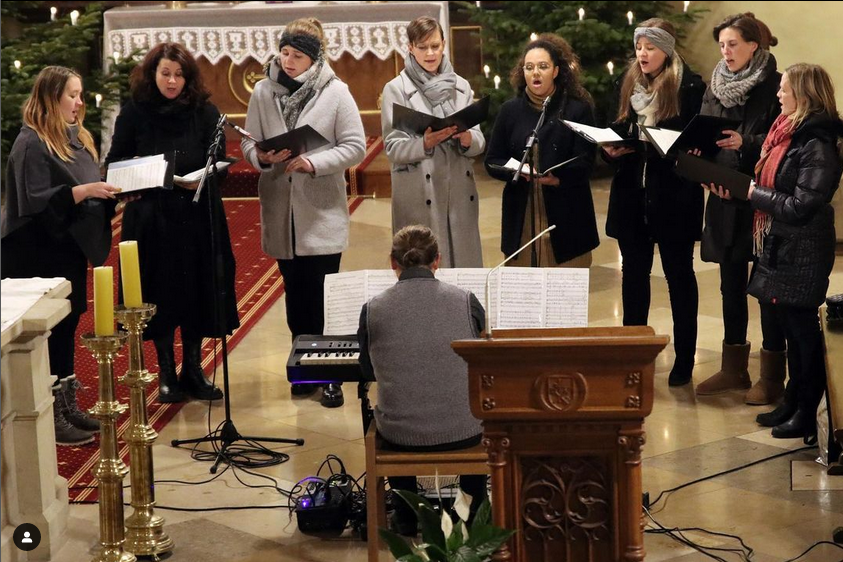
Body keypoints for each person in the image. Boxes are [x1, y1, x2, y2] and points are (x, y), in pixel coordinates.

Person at [711, 64, 842, 440]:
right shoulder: (787, 133)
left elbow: (803, 205)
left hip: (803, 248)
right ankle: (790, 400)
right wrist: (738, 192)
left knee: (803, 334)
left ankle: (806, 411)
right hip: (779, 242)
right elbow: (772, 189)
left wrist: (752, 194)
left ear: (804, 95)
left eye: (785, 89)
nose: (778, 94)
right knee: (786, 327)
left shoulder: (817, 142)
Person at [242, 18, 365, 408]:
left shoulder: (336, 92)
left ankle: (329, 374)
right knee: (296, 296)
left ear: (314, 59)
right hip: (282, 210)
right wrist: (261, 156)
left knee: (324, 295)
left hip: (320, 209)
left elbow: (355, 147)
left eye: (297, 56)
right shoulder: (263, 91)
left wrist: (314, 163)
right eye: (285, 53)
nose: (289, 61)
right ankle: (304, 367)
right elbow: (249, 143)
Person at [106, 42, 238, 403]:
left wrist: (208, 176)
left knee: (197, 289)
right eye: (166, 73)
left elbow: (222, 162)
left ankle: (193, 369)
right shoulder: (135, 112)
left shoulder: (205, 111)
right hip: (153, 218)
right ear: (153, 74)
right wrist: (133, 180)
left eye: (179, 74)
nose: (172, 81)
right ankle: (166, 371)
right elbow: (114, 163)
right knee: (159, 291)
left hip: (198, 214)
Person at [2, 66, 120, 445]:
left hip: (66, 246)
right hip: (34, 252)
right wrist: (85, 192)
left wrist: (107, 192)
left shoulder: (75, 137)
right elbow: (35, 204)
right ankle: (49, 413)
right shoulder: (31, 142)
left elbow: (84, 185)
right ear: (51, 98)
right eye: (72, 94)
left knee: (67, 324)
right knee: (47, 329)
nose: (80, 102)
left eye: (81, 94)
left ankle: (67, 403)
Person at [357, 225, 486, 535]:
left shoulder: (373, 308)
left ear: (393, 262)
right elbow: (483, 364)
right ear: (437, 260)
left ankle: (405, 514)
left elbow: (367, 371)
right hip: (464, 430)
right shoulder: (466, 301)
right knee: (479, 415)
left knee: (390, 411)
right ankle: (471, 513)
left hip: (401, 435)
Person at [603, 19, 705, 386]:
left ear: (666, 49)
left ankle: (685, 359)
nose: (642, 54)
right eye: (639, 47)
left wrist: (670, 147)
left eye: (650, 47)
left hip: (673, 197)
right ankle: (634, 354)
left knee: (679, 277)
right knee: (633, 276)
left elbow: (698, 143)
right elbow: (613, 129)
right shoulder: (627, 82)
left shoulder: (690, 87)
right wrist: (611, 150)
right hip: (632, 196)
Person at [694, 14, 788, 402]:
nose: (726, 51)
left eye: (733, 44)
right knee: (729, 283)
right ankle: (733, 369)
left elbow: (784, 135)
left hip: (760, 195)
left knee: (766, 286)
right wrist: (698, 157)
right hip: (722, 192)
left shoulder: (776, 84)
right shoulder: (715, 83)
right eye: (722, 45)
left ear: (754, 45)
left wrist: (745, 143)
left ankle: (771, 375)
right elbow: (703, 127)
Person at [485, 33, 598, 267]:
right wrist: (516, 170)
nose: (535, 72)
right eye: (529, 67)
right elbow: (493, 160)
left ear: (556, 71)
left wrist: (558, 179)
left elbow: (586, 161)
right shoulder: (510, 111)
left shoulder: (577, 109)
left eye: (543, 66)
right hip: (522, 216)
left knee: (565, 295)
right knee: (525, 295)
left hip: (567, 216)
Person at [382, 16, 485, 268]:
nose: (430, 53)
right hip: (420, 190)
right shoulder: (396, 89)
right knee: (422, 270)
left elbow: (479, 142)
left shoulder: (461, 86)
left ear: (444, 45)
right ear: (410, 47)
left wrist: (467, 137)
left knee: (463, 268)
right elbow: (392, 147)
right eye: (422, 47)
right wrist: (425, 143)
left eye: (436, 46)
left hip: (458, 191)